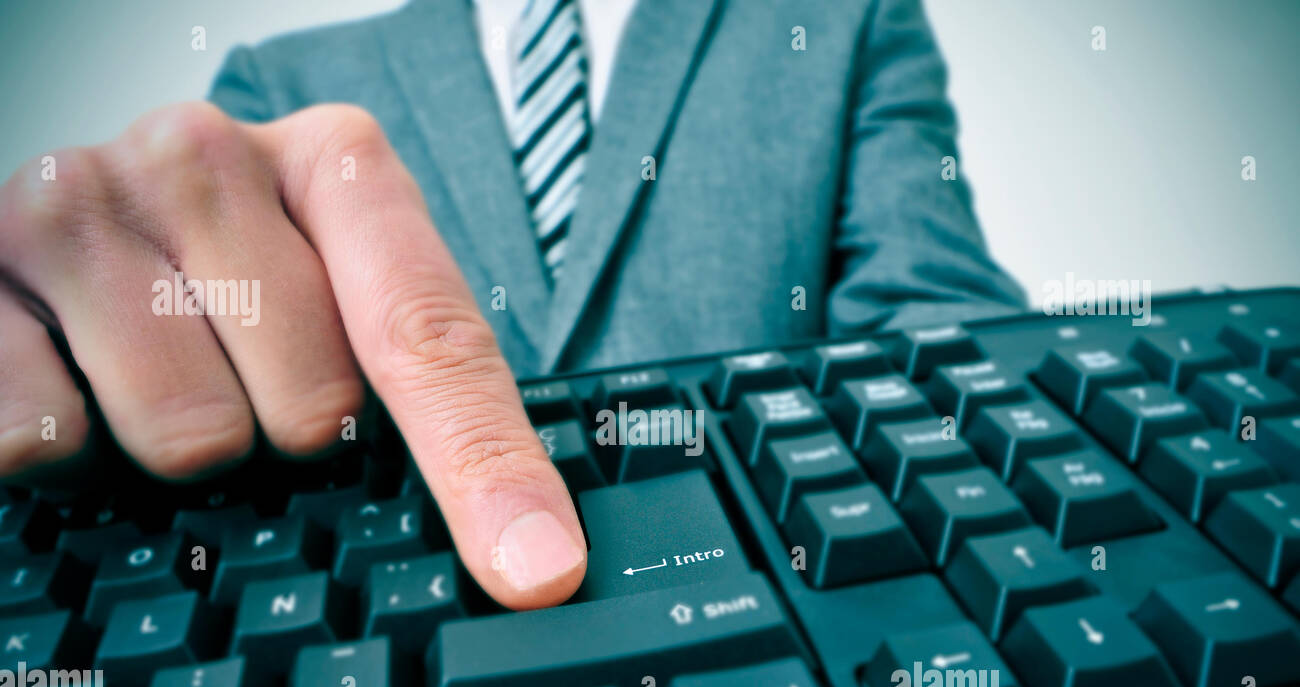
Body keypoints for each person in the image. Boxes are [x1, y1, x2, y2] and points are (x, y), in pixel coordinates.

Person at [0, 0, 1024, 611]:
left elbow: (946, 350)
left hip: (769, 616)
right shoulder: (286, 80)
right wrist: (75, 364)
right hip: (399, 630)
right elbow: (208, 363)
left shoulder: (838, 21)